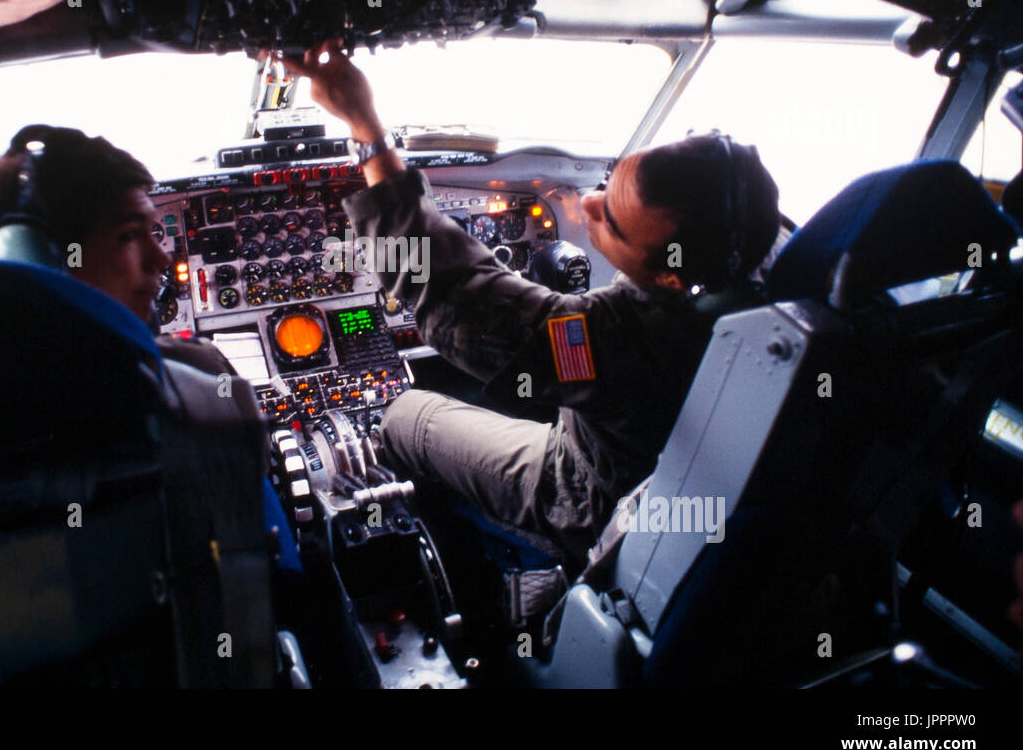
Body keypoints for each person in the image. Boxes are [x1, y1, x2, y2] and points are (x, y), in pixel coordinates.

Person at [282, 39, 781, 565]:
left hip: (594, 501)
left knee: (403, 412)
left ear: (670, 279)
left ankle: (457, 567)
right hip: (675, 477)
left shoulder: (616, 340)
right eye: (607, 185)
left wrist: (364, 126)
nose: (584, 202)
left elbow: (451, 296)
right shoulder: (760, 266)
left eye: (609, 220)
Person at [0, 124, 232, 376]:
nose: (160, 259)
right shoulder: (197, 386)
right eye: (127, 236)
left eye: (150, 231)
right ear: (33, 260)